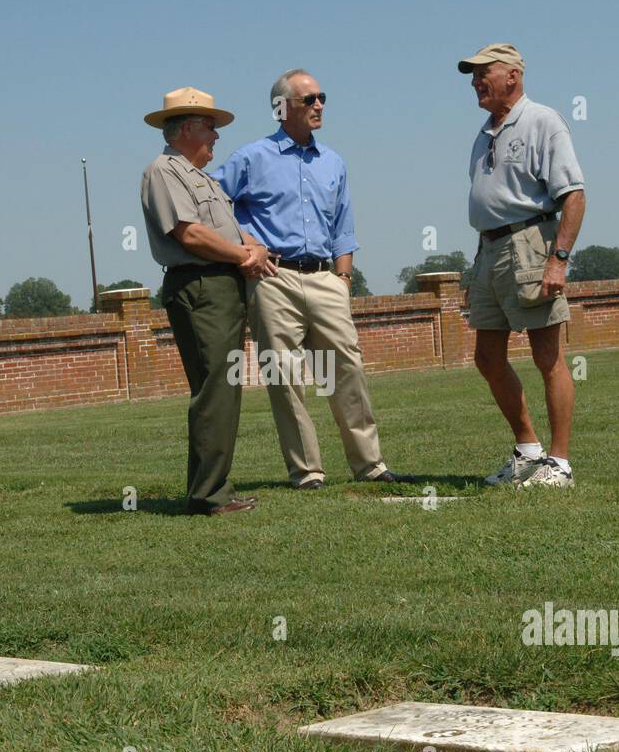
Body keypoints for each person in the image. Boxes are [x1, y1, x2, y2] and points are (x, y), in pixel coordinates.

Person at [212, 69, 414, 490]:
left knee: (347, 370)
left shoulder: (334, 162)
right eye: (309, 99)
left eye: (322, 97)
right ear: (281, 108)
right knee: (284, 377)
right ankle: (307, 471)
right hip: (273, 279)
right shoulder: (251, 157)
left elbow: (343, 225)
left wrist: (343, 277)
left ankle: (370, 465)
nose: (319, 105)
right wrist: (248, 243)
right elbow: (214, 203)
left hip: (325, 278)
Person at [139, 87, 277, 515]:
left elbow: (229, 230)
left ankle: (211, 490)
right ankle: (208, 496)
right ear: (187, 129)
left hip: (219, 286)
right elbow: (190, 234)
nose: (217, 137)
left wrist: (251, 247)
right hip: (200, 287)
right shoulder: (164, 171)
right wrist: (243, 256)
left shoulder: (202, 179)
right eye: (211, 127)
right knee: (216, 388)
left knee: (223, 387)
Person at [458, 44, 586, 488]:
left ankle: (560, 462)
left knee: (546, 356)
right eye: (471, 75)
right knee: (487, 357)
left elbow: (573, 195)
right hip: (489, 251)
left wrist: (559, 259)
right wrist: (479, 264)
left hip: (531, 244)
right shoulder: (483, 134)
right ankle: (528, 450)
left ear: (512, 75)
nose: (475, 81)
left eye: (482, 73)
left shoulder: (542, 121)